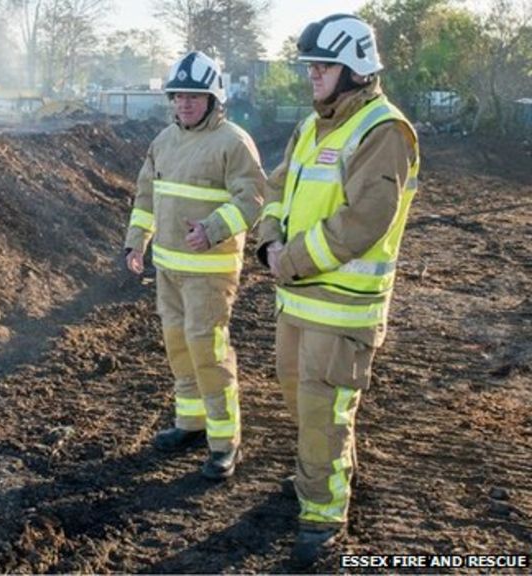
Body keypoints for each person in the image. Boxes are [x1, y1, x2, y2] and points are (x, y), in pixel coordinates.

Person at [255, 14, 420, 568]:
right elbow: (277, 186)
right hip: (296, 298)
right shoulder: (313, 124)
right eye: (310, 66)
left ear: (355, 68)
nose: (313, 75)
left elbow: (364, 220)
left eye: (323, 66)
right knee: (299, 397)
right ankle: (318, 470)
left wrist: (291, 259)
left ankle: (322, 517)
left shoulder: (382, 130)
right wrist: (268, 239)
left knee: (324, 409)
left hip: (341, 305)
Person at [124, 51, 265, 480]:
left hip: (210, 272)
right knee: (178, 347)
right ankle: (191, 423)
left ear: (213, 99)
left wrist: (213, 228)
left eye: (194, 96)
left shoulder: (233, 142)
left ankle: (225, 442)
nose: (184, 103)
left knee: (208, 351)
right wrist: (136, 243)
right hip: (168, 270)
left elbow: (253, 199)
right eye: (178, 96)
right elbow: (145, 196)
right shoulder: (163, 141)